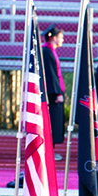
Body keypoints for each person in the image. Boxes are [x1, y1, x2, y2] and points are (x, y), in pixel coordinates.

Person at [41, 25, 66, 156]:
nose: (62, 40)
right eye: (60, 37)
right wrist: (57, 93)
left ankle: (51, 151)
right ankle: (49, 152)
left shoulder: (50, 51)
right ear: (54, 38)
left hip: (54, 93)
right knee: (52, 122)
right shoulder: (47, 52)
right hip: (52, 95)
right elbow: (51, 75)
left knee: (55, 123)